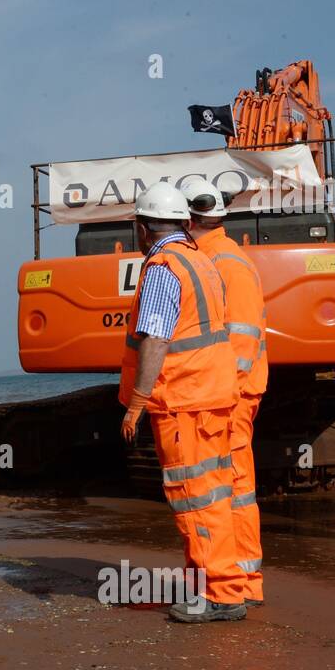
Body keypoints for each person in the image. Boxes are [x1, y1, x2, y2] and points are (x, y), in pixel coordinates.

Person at [120, 182, 245, 624]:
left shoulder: (162, 268)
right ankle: (220, 587)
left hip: (183, 402)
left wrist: (136, 402)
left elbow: (155, 338)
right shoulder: (201, 261)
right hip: (211, 397)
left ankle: (218, 596)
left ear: (142, 227)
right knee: (213, 497)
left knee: (193, 498)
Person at [179, 178, 268, 606]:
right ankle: (237, 581)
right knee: (231, 489)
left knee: (225, 488)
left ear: (188, 218)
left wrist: (220, 392)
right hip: (224, 393)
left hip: (228, 396)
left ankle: (237, 584)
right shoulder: (214, 257)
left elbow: (243, 338)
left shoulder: (225, 262)